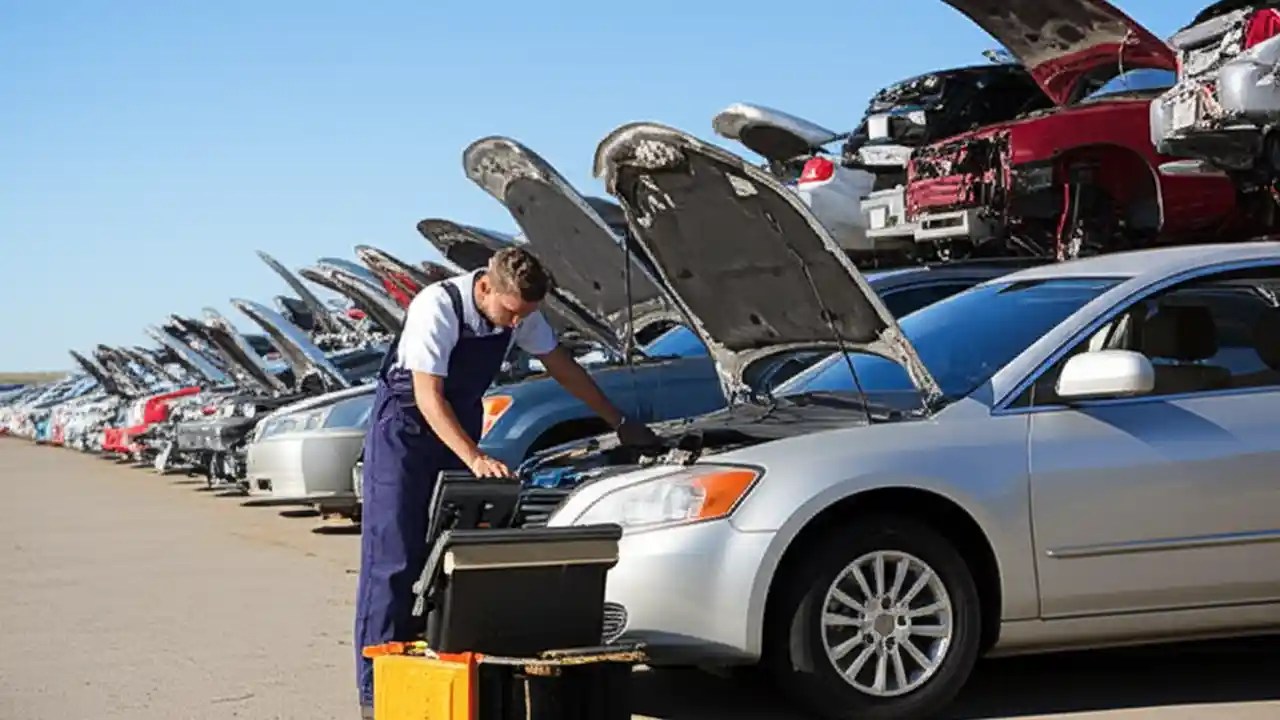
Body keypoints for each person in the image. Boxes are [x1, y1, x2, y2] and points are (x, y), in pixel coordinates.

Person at [352, 246, 659, 715]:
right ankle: (377, 697)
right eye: (511, 313)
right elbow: (428, 396)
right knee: (393, 559)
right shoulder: (437, 307)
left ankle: (439, 675)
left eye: (525, 316)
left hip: (457, 426)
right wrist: (475, 458)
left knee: (448, 556)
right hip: (406, 432)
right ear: (484, 288)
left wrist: (617, 420)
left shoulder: (518, 311)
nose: (516, 325)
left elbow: (562, 367)